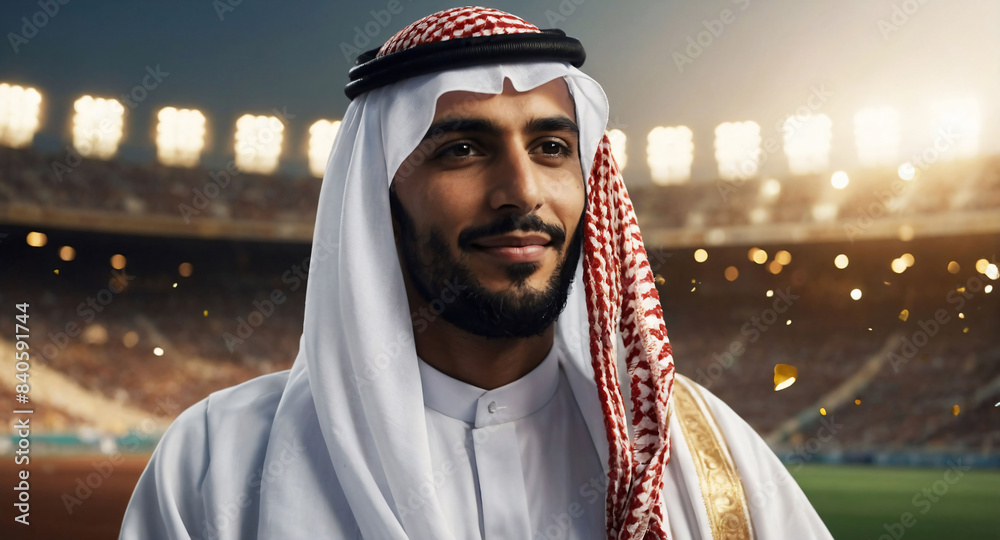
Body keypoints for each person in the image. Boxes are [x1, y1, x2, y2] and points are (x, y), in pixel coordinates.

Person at [120, 7, 833, 539]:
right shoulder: (221, 463)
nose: (522, 191)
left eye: (553, 146)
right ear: (378, 197)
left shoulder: (701, 451)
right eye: (463, 149)